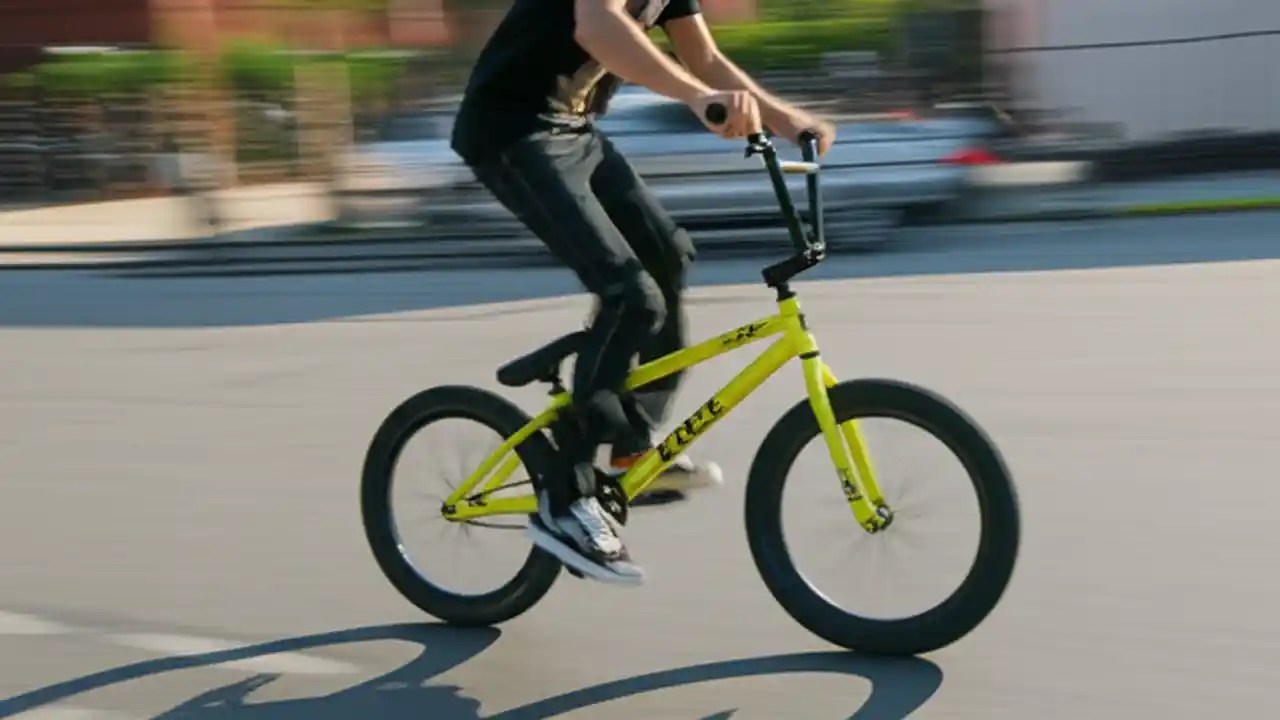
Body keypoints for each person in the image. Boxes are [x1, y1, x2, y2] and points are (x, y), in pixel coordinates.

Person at [450, 0, 836, 585]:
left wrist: (788, 122)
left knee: (668, 256)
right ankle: (567, 497)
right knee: (631, 294)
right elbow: (597, 24)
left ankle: (633, 445)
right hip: (511, 130)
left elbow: (703, 55)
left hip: (572, 131)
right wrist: (694, 99)